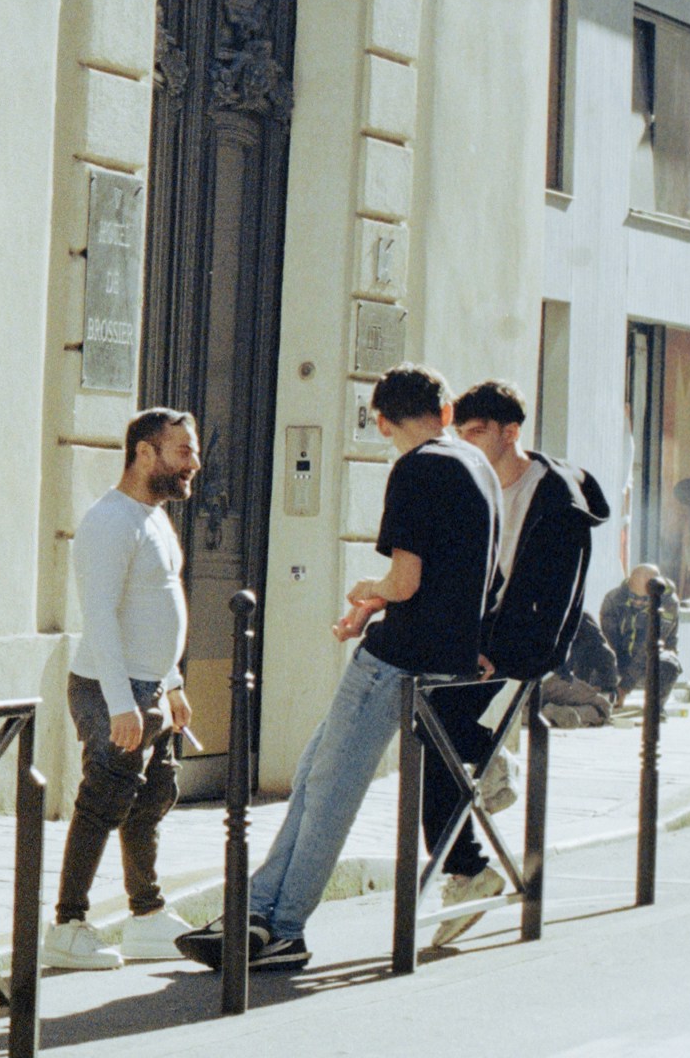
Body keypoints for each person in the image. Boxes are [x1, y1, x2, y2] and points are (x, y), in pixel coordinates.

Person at [177, 363, 496, 975]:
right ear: (447, 411)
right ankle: (256, 911)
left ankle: (284, 926)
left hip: (396, 658)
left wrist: (370, 588)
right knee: (312, 773)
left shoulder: (416, 468)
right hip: (442, 654)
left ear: (380, 421)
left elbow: (407, 580)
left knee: (329, 791)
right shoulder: (475, 465)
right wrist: (382, 600)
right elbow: (456, 573)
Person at [429, 380, 603, 939]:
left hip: (513, 648)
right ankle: (482, 802)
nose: (467, 443)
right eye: (460, 433)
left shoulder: (557, 497)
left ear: (510, 432)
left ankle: (469, 865)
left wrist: (508, 656)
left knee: (438, 740)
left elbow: (556, 598)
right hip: (468, 638)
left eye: (477, 432)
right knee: (430, 735)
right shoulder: (467, 483)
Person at [44, 408, 196, 971]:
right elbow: (101, 620)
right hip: (113, 687)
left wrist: (172, 684)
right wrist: (120, 704)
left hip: (149, 687)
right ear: (145, 454)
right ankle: (67, 924)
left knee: (152, 798)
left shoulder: (154, 517)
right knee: (103, 801)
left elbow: (153, 609)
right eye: (183, 452)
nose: (194, 464)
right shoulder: (109, 522)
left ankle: (146, 915)